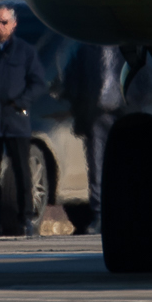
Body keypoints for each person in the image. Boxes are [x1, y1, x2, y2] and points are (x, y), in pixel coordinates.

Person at [0, 4, 47, 238]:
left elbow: (38, 83)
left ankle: (26, 219)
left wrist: (21, 102)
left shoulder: (25, 52)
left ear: (13, 24)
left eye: (4, 22)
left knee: (22, 171)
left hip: (15, 121)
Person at [60, 42, 124, 235]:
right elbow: (72, 79)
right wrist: (79, 106)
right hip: (95, 114)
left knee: (123, 166)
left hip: (122, 113)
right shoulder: (86, 49)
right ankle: (100, 215)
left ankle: (122, 213)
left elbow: (142, 79)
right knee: (97, 168)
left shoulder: (125, 48)